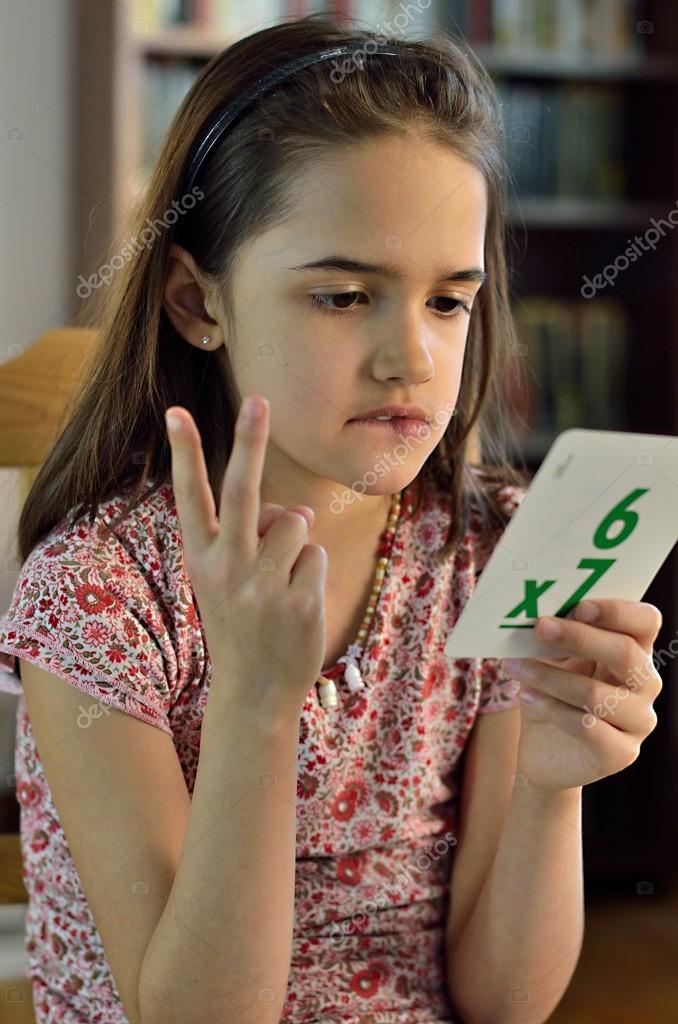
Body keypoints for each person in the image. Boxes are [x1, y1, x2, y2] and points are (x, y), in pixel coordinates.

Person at [0, 13, 663, 1024]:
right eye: (347, 295)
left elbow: (504, 1001)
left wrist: (549, 782)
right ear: (196, 301)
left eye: (449, 303)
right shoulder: (101, 592)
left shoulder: (492, 551)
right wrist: (259, 706)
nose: (413, 359)